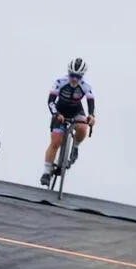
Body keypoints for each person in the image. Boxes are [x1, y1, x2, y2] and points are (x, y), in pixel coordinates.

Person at [40, 57, 95, 186]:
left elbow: (91, 103)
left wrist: (91, 116)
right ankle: (46, 172)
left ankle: (75, 146)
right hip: (60, 111)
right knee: (55, 142)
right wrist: (56, 114)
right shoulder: (60, 82)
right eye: (72, 75)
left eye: (78, 76)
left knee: (83, 127)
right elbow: (51, 101)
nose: (74, 79)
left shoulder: (85, 86)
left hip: (76, 111)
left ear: (82, 76)